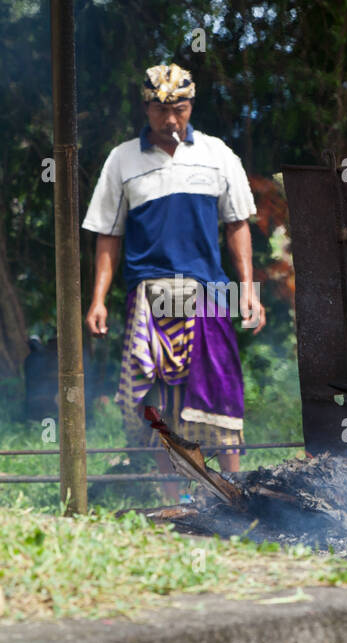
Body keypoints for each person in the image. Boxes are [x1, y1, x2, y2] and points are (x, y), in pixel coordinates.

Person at [82, 63, 264, 488]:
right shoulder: (122, 159)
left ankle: (232, 490)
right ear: (145, 107)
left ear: (191, 105)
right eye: (160, 109)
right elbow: (109, 233)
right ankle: (175, 496)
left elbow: (238, 224)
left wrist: (248, 292)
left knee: (221, 382)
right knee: (159, 395)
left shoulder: (218, 154)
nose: (170, 119)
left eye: (179, 108)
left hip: (208, 290)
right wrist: (97, 299)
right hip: (150, 292)